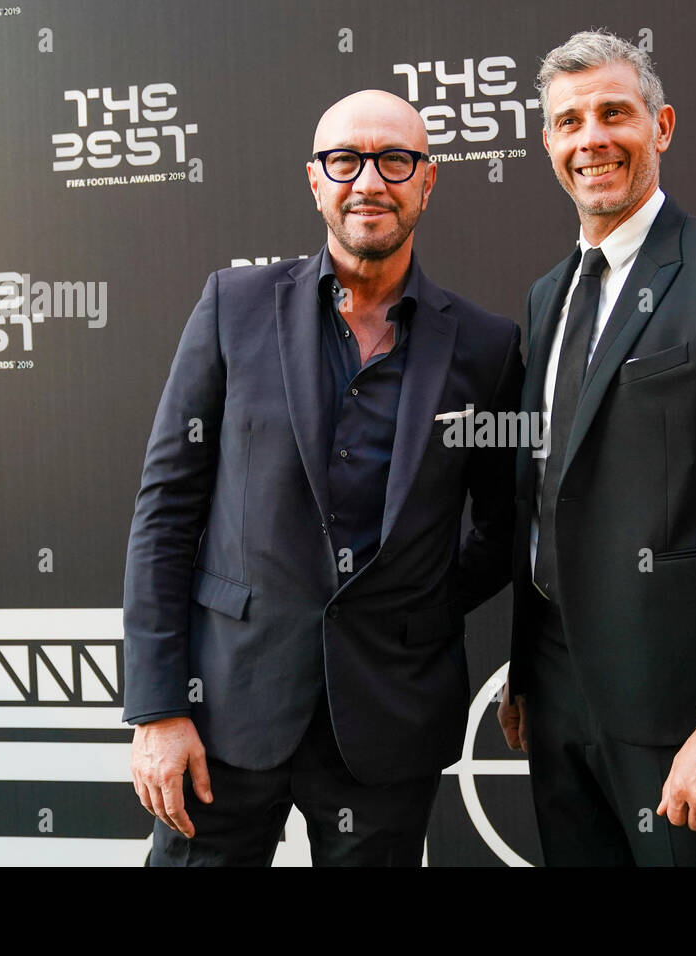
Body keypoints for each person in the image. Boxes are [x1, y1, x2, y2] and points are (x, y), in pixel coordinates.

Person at [122, 89, 522, 866]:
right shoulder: (231, 308)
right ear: (315, 179)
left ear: (427, 181)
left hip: (389, 714)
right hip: (225, 711)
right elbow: (166, 512)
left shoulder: (484, 345)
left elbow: (508, 524)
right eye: (345, 159)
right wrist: (158, 708)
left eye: (394, 160)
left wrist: (420, 598)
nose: (368, 181)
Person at [498, 31, 696, 866]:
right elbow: (545, 490)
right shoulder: (546, 297)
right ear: (548, 145)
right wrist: (528, 672)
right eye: (569, 122)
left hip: (684, 711)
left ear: (662, 125)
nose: (591, 139)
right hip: (558, 694)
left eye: (614, 113)